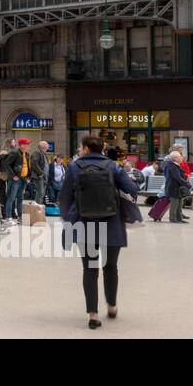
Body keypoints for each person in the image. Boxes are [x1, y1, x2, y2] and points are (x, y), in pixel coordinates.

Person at [58, 134, 141, 329]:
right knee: (111, 266)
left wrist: (67, 217)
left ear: (86, 149)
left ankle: (93, 314)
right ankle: (111, 305)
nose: (79, 150)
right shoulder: (113, 166)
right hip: (111, 222)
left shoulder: (73, 167)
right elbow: (132, 189)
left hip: (84, 222)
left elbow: (64, 197)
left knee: (90, 269)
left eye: (80, 147)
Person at [1, 138, 32, 223]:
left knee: (20, 199)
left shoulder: (27, 154)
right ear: (21, 145)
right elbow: (6, 164)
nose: (28, 146)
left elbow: (27, 167)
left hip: (23, 179)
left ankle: (20, 217)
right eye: (26, 144)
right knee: (11, 198)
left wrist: (28, 177)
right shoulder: (14, 153)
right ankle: (8, 217)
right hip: (14, 180)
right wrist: (13, 175)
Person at [163, 150, 190, 224]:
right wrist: (189, 185)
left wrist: (185, 178)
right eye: (180, 156)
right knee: (174, 204)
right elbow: (178, 178)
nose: (182, 158)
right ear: (175, 158)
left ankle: (179, 218)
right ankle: (173, 218)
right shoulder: (172, 166)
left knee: (179, 203)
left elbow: (181, 176)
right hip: (173, 188)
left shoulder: (176, 165)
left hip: (178, 188)